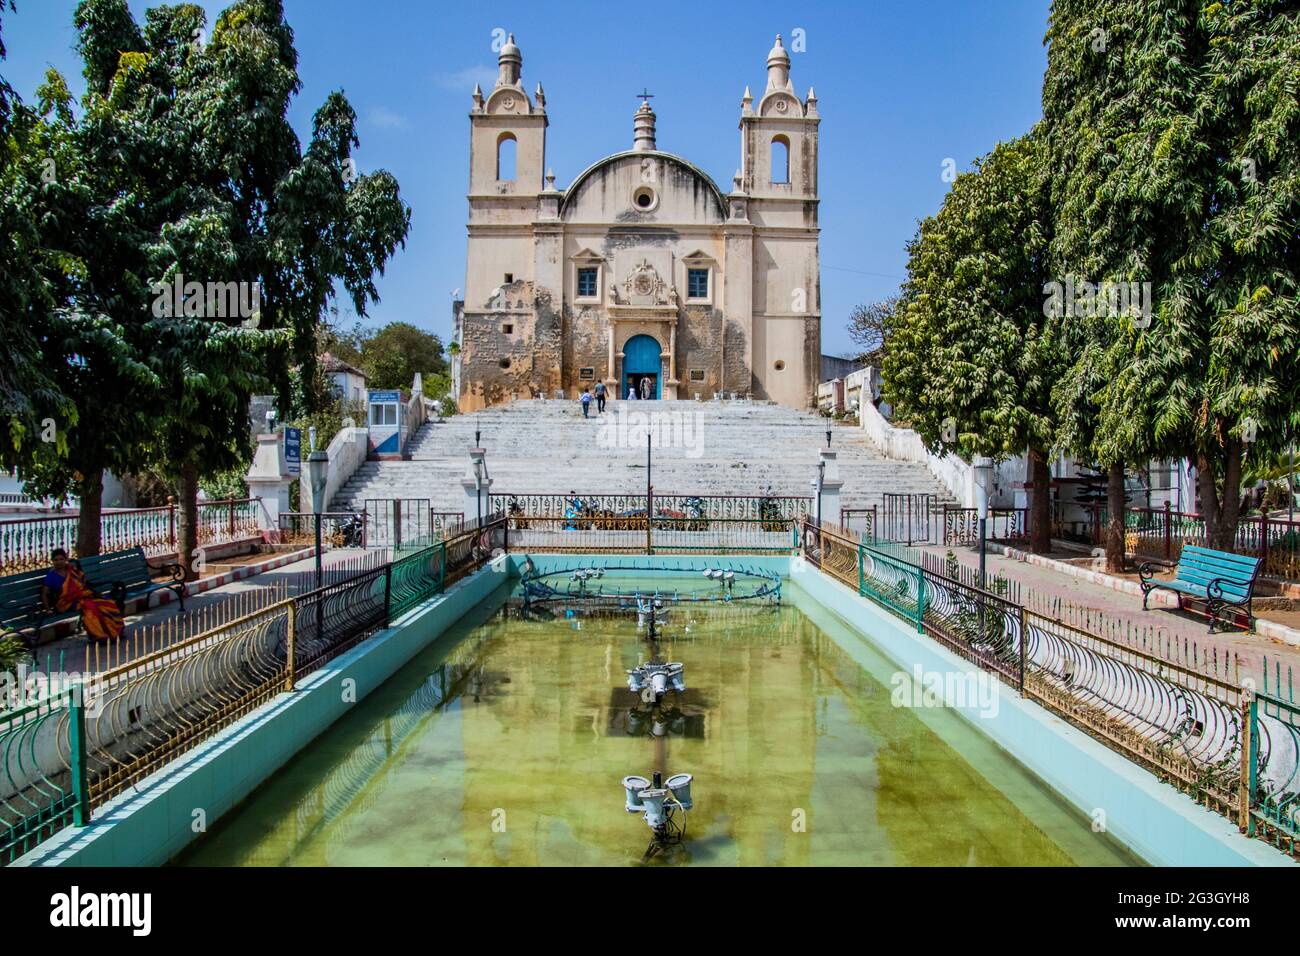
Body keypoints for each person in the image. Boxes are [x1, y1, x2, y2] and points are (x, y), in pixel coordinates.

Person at [41, 548, 124, 640]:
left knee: (106, 604)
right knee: (90, 608)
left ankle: (114, 632)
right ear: (52, 561)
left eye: (61, 559)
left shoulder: (71, 570)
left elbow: (82, 583)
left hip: (82, 597)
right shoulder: (51, 576)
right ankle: (99, 635)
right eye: (56, 560)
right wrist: (48, 609)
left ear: (66, 560)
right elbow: (44, 594)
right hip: (66, 602)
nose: (59, 562)